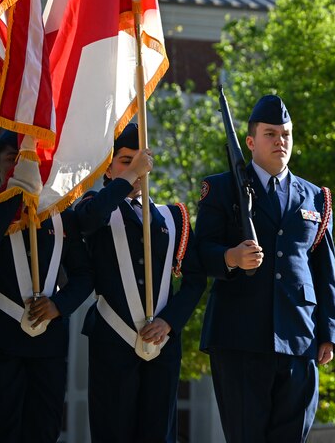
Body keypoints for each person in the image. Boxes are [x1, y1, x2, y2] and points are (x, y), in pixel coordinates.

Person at [196, 94, 335, 443]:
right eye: (271, 134)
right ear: (250, 141)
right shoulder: (221, 187)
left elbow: (324, 270)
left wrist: (329, 333)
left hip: (299, 336)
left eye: (286, 134)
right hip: (240, 336)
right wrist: (230, 257)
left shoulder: (315, 197)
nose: (280, 141)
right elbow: (197, 253)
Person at [75, 122, 205, 443]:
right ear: (108, 169)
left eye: (140, 160)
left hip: (162, 343)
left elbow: (195, 280)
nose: (135, 168)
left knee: (159, 434)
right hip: (113, 340)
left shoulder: (172, 217)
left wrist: (169, 322)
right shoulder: (93, 205)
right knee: (113, 431)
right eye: (125, 161)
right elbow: (87, 221)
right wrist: (128, 178)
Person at [0, 131, 94, 443]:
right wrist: (19, 188)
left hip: (46, 342)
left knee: (44, 430)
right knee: (2, 430)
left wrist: (60, 306)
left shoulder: (61, 216)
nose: (25, 168)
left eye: (32, 162)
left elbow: (84, 274)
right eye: (14, 160)